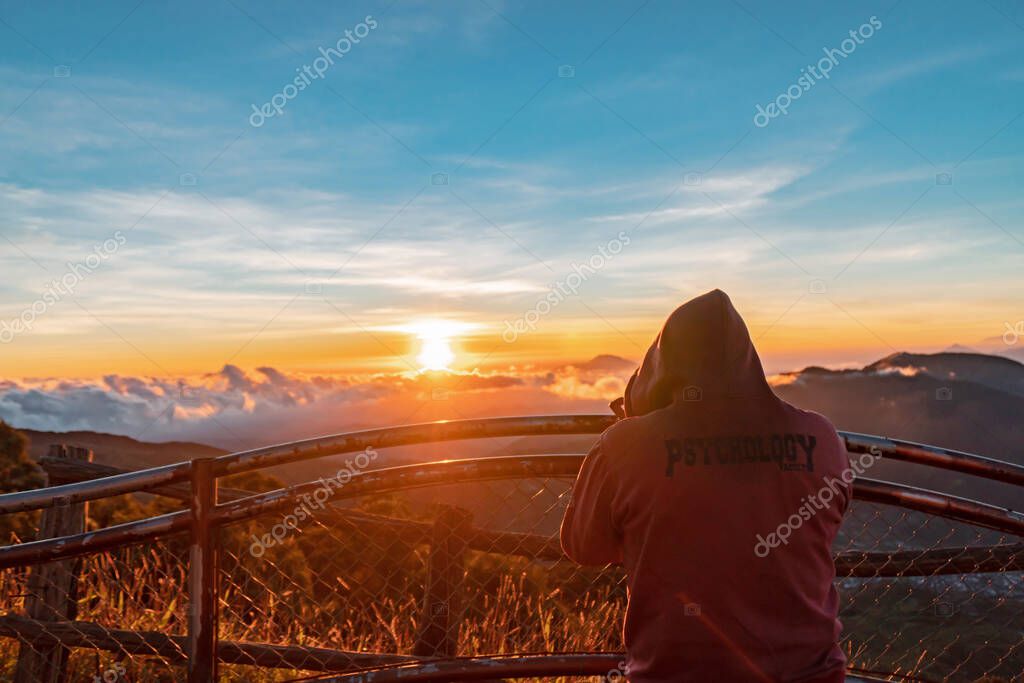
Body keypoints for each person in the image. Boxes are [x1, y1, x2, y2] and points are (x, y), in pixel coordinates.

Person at [561, 289, 851, 683]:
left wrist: (636, 426)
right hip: (811, 675)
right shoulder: (820, 437)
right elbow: (825, 527)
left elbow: (585, 547)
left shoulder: (625, 446)